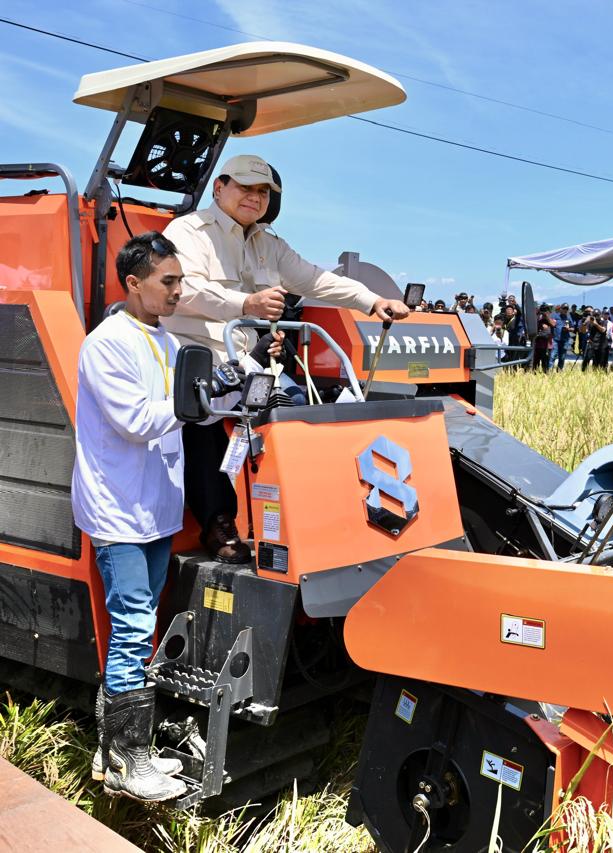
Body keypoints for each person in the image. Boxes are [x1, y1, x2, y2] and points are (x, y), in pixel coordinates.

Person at [163, 155, 409, 563]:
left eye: (263, 192)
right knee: (204, 419)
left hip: (250, 358)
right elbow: (181, 290)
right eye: (245, 187)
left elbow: (315, 279)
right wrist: (246, 302)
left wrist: (372, 300)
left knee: (293, 405)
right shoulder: (187, 232)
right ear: (219, 187)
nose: (254, 198)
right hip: (195, 354)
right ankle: (218, 520)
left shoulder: (268, 244)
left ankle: (304, 514)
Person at [70, 233, 191, 801]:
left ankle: (114, 750)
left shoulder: (166, 341)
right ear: (134, 282)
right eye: (167, 281)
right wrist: (197, 401)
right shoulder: (107, 343)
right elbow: (136, 421)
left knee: (139, 629)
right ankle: (128, 760)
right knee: (132, 629)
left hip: (157, 507)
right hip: (119, 509)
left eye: (179, 279)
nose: (177, 290)